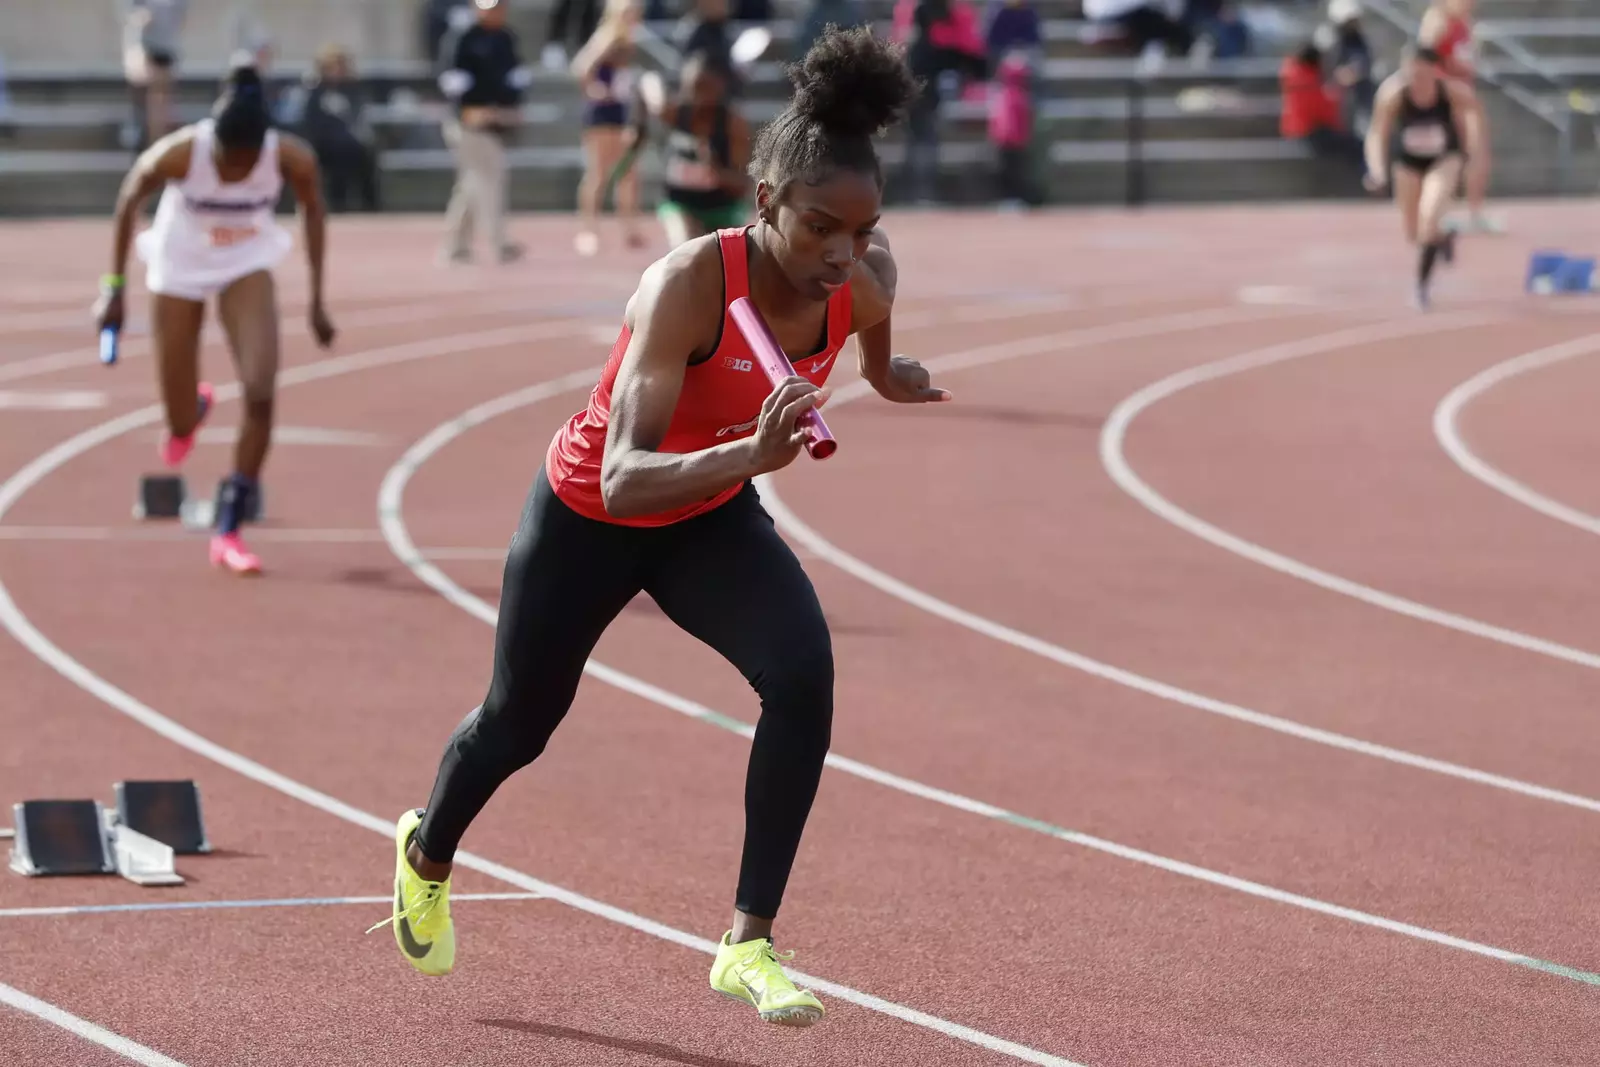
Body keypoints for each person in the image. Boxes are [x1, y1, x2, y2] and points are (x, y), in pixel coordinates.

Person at [371, 25, 948, 1026]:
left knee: (802, 674)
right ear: (765, 203)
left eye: (860, 231)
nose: (839, 253)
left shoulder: (858, 276)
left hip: (708, 517)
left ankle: (747, 939)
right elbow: (626, 474)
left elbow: (869, 332)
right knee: (520, 721)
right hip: (593, 514)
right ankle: (427, 850)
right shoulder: (686, 286)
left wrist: (888, 376)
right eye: (819, 227)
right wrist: (750, 458)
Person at [93, 64, 336, 575]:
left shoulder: (289, 157)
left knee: (262, 392)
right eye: (228, 164)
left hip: (244, 264)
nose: (235, 174)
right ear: (215, 146)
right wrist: (113, 291)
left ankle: (229, 526)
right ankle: (193, 410)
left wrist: (316, 300)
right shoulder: (181, 153)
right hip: (179, 266)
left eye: (245, 166)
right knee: (178, 420)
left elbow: (314, 212)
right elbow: (128, 200)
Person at [1362, 45, 1478, 308]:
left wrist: (1470, 153)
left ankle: (1421, 287)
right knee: (1413, 231)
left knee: (1430, 213)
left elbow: (1473, 116)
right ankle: (1443, 236)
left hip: (1444, 158)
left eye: (1422, 72)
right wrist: (1376, 169)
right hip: (1408, 163)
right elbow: (1377, 133)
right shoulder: (1393, 94)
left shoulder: (1450, 92)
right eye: (1411, 71)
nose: (1417, 78)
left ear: (1434, 71)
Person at [437, 0, 529, 264]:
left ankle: (455, 245)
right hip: (467, 123)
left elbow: (515, 78)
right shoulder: (463, 37)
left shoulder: (505, 38)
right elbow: (450, 80)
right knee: (490, 179)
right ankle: (499, 242)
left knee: (471, 184)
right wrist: (470, 108)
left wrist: (509, 108)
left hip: (495, 122)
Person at [643, 50, 752, 246]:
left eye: (704, 88)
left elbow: (742, 184)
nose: (696, 97)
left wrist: (714, 169)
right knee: (685, 248)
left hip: (721, 206)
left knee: (719, 258)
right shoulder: (675, 111)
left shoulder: (733, 123)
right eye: (691, 88)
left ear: (721, 86)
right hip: (679, 202)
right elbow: (649, 81)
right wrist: (657, 100)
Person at [570, 0, 646, 256]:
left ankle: (629, 228)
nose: (632, 17)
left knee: (628, 172)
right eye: (627, 13)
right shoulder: (608, 37)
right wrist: (596, 90)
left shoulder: (627, 40)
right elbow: (582, 66)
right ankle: (589, 230)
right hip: (602, 115)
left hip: (621, 114)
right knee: (600, 172)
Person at [1418, 0, 1497, 232]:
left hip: (1464, 92)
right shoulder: (1437, 19)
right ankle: (1437, 213)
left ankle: (1472, 211)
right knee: (1451, 154)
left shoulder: (1465, 21)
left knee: (1475, 150)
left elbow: (1465, 57)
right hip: (1447, 95)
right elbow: (1424, 58)